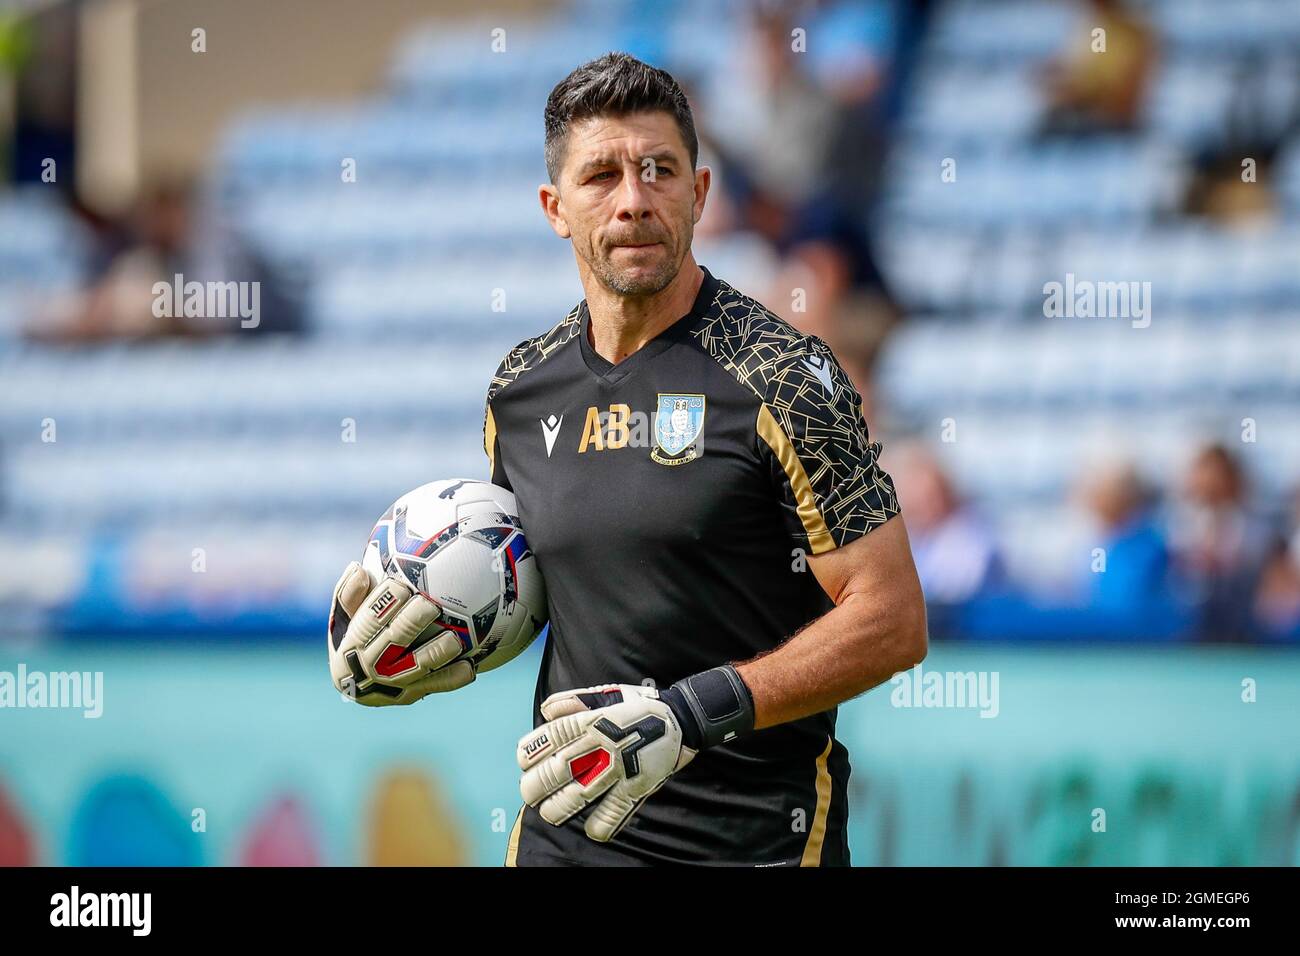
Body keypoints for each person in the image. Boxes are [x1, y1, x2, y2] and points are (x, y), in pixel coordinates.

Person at [326, 53, 926, 866]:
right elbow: (551, 588)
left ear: (700, 194)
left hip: (753, 846)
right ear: (556, 208)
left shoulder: (786, 378)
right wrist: (432, 626)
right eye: (601, 176)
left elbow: (893, 619)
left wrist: (691, 712)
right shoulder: (519, 390)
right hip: (567, 829)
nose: (633, 200)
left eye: (659, 171)